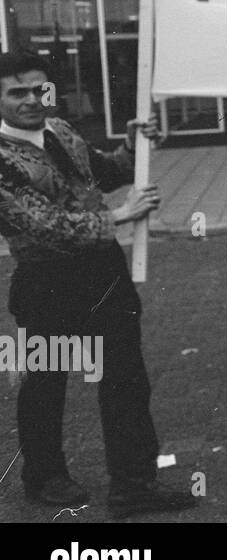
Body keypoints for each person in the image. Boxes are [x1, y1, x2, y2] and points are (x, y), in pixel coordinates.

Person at [0, 49, 197, 517]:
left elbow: (105, 173)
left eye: (39, 89)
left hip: (104, 276)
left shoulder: (62, 131)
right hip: (46, 282)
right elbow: (43, 224)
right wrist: (121, 215)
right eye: (16, 92)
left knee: (126, 381)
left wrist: (134, 146)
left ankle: (133, 485)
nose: (31, 99)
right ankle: (44, 476)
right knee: (46, 385)